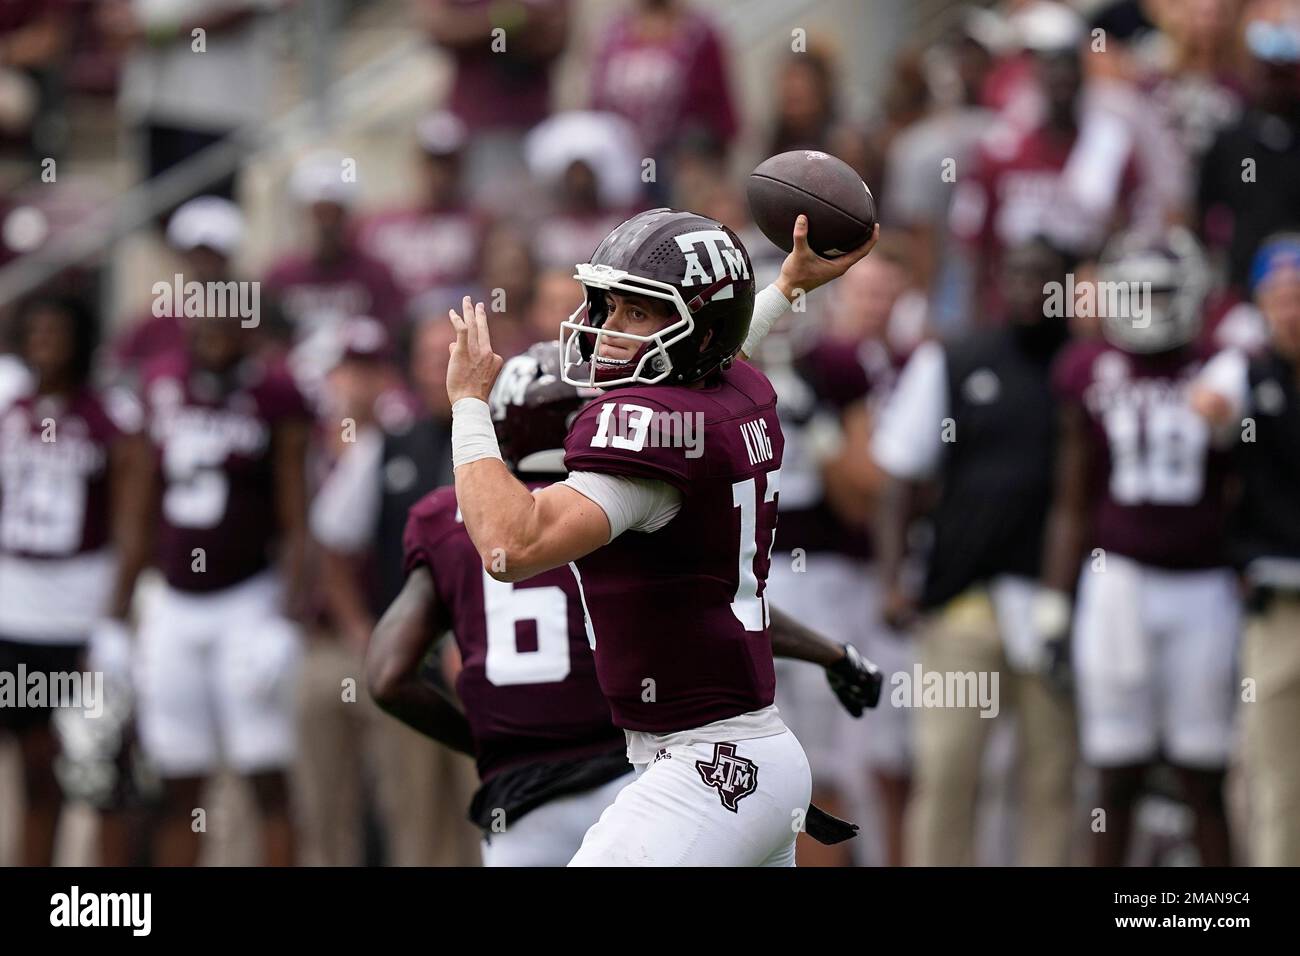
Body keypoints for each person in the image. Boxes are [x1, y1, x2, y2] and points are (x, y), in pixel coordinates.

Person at [443, 205, 877, 866]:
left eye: (638, 313)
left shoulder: (649, 439)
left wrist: (470, 403)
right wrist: (788, 286)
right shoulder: (736, 390)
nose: (610, 331)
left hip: (711, 770)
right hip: (737, 759)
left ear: (696, 331)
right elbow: (728, 344)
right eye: (611, 307)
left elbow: (511, 546)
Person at [369, 340, 882, 866]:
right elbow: (718, 604)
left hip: (524, 803)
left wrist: (494, 750)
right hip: (627, 770)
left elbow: (387, 677)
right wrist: (832, 655)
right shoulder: (608, 500)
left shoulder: (445, 519)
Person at [872, 236, 1078, 866]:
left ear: (1068, 286)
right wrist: (892, 579)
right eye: (1014, 273)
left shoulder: (1086, 367)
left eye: (1042, 277)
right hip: (963, 599)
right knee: (949, 774)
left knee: (1050, 780)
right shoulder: (956, 360)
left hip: (1055, 607)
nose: (1025, 287)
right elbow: (898, 475)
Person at [1041, 226, 1240, 867]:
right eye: (1138, 293)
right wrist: (1055, 599)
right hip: (1118, 581)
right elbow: (1072, 497)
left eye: (1162, 293)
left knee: (1204, 773)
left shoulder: (1223, 365)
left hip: (1204, 585)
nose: (1150, 308)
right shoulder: (1088, 367)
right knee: (1116, 769)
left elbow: (1246, 483)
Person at [123, 297, 311, 866]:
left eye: (229, 326)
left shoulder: (274, 397)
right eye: (206, 326)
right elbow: (137, 506)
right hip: (174, 602)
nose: (216, 338)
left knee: (264, 772)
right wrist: (117, 614)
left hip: (246, 598)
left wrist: (289, 618)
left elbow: (297, 517)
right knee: (178, 779)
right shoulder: (162, 387)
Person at [0, 296, 144, 865]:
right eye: (34, 332)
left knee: (100, 773)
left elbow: (133, 524)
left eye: (55, 332)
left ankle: (110, 908)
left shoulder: (111, 416)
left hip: (82, 613)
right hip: (15, 613)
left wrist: (113, 617)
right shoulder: (10, 409)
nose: (44, 344)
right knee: (35, 773)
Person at [1191, 233, 1300, 865]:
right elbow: (1208, 403)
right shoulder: (1246, 371)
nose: (1290, 309)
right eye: (1279, 296)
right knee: (1276, 780)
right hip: (1278, 600)